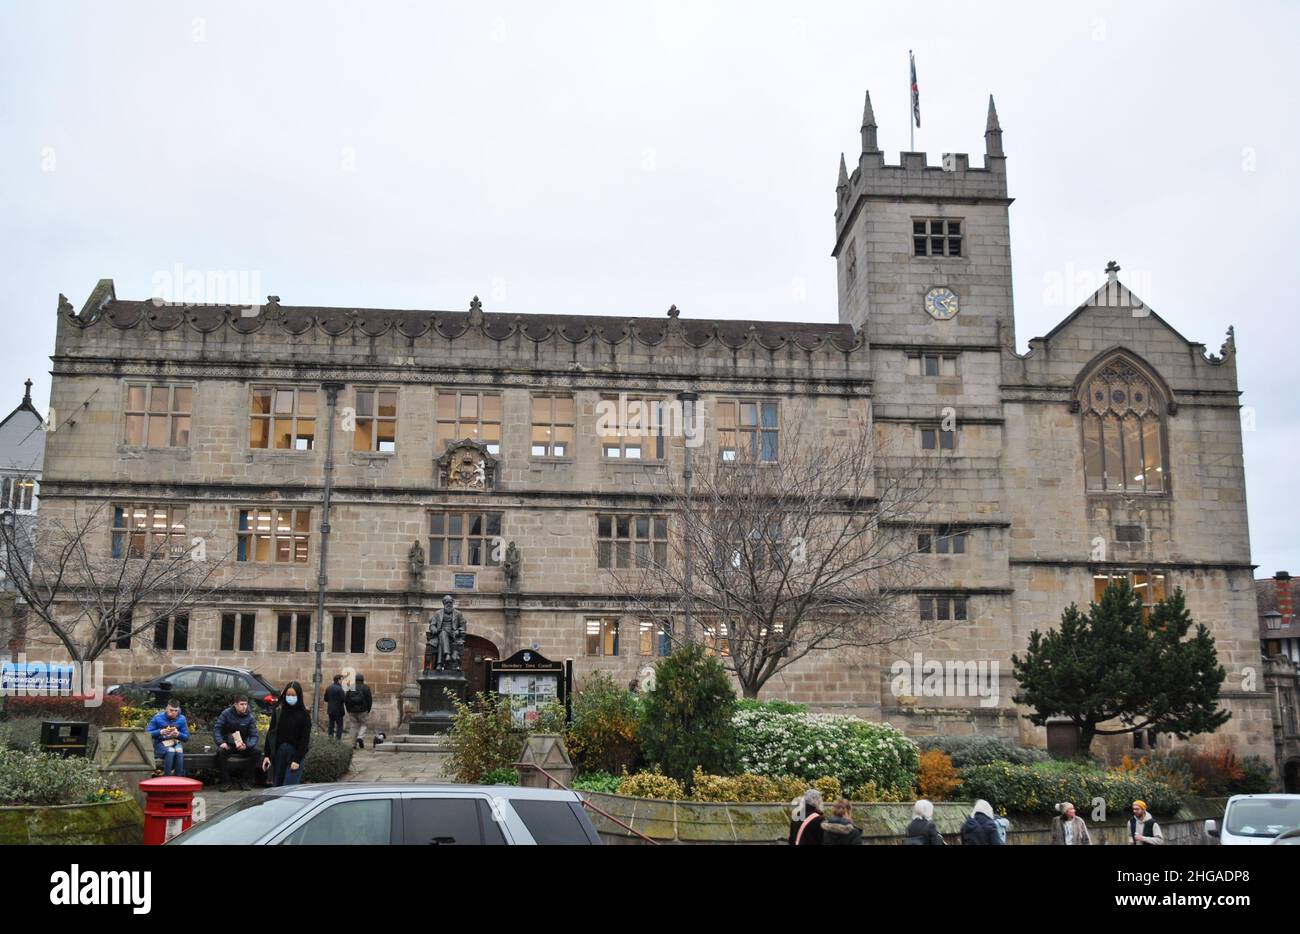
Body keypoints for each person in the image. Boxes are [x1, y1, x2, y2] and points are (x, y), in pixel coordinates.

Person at [262, 681, 311, 787]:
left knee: (289, 787)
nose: (290, 697)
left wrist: (297, 760)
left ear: (298, 696)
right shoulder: (279, 711)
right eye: (288, 695)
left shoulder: (304, 715)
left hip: (294, 754)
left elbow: (305, 740)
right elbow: (271, 733)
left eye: (293, 695)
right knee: (277, 787)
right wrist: (267, 755)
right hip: (279, 754)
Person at [213, 695, 260, 792]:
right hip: (229, 744)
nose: (244, 707)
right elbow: (217, 728)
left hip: (244, 745)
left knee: (257, 752)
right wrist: (221, 742)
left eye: (246, 704)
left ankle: (245, 781)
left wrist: (247, 745)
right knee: (220, 752)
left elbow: (254, 735)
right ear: (235, 705)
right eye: (241, 704)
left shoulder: (250, 717)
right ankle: (226, 782)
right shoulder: (226, 713)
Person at [147, 700, 190, 777]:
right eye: (171, 710)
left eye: (176, 710)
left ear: (179, 710)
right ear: (167, 708)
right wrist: (159, 732)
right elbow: (146, 734)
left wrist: (178, 734)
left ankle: (178, 779)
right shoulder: (158, 717)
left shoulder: (182, 719)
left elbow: (186, 738)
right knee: (171, 750)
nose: (173, 712)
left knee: (179, 750)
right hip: (160, 745)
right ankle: (167, 778)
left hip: (175, 742)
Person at [345, 674, 373, 750]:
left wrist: (348, 709)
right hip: (363, 710)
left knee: (353, 726)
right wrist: (368, 709)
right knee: (364, 724)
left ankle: (353, 744)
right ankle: (360, 737)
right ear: (362, 680)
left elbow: (346, 699)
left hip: (352, 710)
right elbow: (369, 700)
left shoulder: (351, 687)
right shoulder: (366, 687)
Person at [324, 674, 346, 740]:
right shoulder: (340, 689)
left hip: (330, 709)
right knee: (339, 725)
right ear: (338, 680)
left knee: (331, 725)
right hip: (339, 710)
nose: (342, 681)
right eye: (342, 679)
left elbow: (325, 699)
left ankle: (330, 738)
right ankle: (337, 739)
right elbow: (343, 699)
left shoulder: (328, 688)